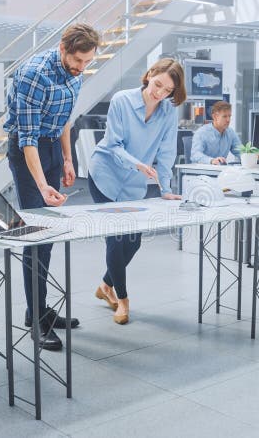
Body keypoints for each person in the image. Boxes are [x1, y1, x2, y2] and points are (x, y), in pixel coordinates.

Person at [4, 24, 100, 350]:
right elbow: (27, 139)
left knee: (50, 233)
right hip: (26, 150)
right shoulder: (34, 74)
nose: (81, 68)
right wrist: (43, 185)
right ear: (63, 47)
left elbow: (64, 119)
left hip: (52, 148)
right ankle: (37, 319)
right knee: (36, 233)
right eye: (77, 60)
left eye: (87, 62)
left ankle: (38, 310)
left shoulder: (77, 72)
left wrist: (68, 159)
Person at [87, 58, 186, 324]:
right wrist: (138, 164)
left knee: (134, 242)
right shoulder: (122, 100)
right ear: (150, 74)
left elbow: (166, 153)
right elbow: (113, 145)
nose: (160, 93)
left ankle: (105, 286)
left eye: (167, 91)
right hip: (105, 175)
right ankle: (123, 300)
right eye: (158, 85)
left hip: (134, 184)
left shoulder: (167, 113)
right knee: (115, 238)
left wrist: (165, 188)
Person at [190, 101, 242, 165]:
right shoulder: (202, 133)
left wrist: (252, 156)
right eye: (224, 116)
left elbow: (240, 151)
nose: (228, 120)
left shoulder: (230, 133)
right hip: (202, 172)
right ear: (215, 117)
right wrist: (211, 160)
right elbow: (195, 155)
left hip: (220, 172)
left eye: (229, 116)